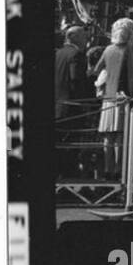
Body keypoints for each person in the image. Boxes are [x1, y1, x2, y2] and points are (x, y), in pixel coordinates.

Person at [94, 18, 133, 179]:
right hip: (123, 98)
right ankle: (119, 170)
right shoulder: (130, 50)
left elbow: (97, 69)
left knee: (108, 137)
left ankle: (108, 170)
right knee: (120, 137)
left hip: (107, 98)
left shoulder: (108, 50)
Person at [56, 23, 94, 178]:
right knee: (71, 147)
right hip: (71, 109)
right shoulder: (76, 55)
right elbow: (75, 81)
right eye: (84, 37)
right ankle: (69, 181)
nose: (87, 41)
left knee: (59, 146)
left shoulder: (58, 53)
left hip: (57, 107)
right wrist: (85, 101)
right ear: (73, 37)